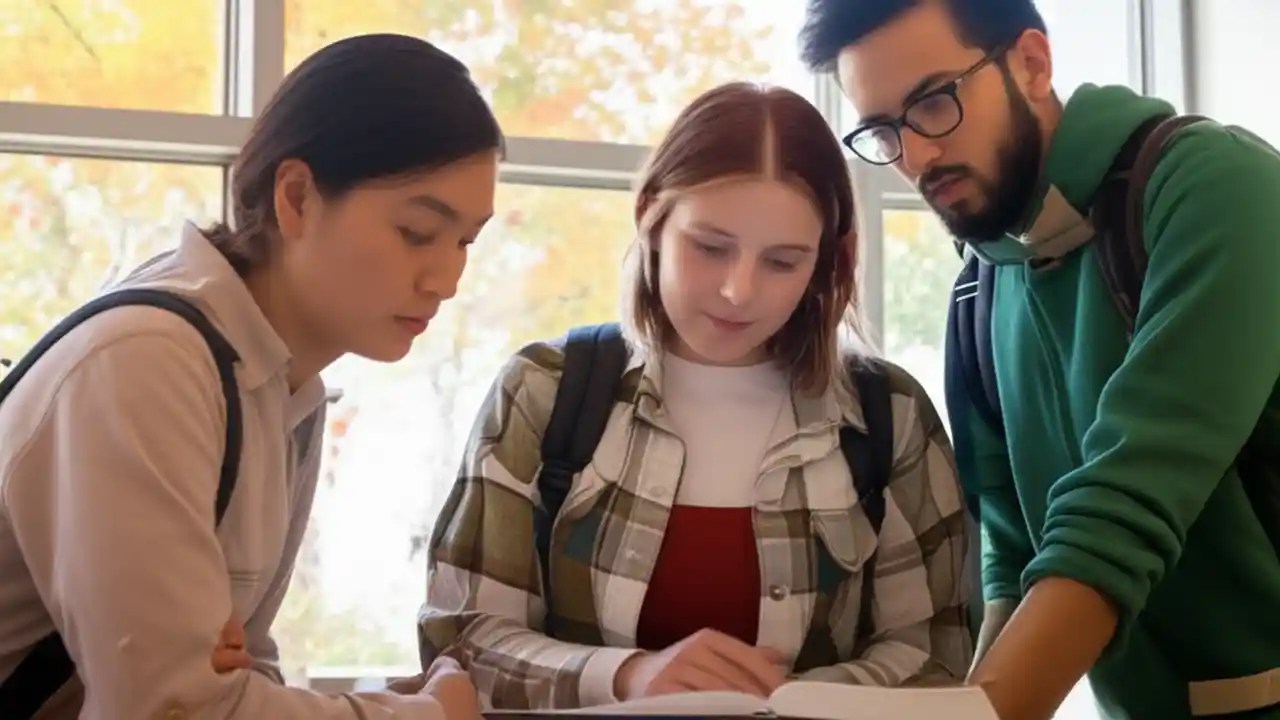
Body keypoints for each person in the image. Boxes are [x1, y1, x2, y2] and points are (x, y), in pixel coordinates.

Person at [418, 81, 972, 710]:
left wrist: (794, 701)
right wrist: (629, 677)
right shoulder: (543, 392)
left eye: (783, 262)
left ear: (826, 264)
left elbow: (935, 654)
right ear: (651, 217)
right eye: (710, 248)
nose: (739, 291)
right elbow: (460, 643)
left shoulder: (887, 415)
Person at [799, 1, 1280, 719]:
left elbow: (1125, 504)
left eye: (933, 102)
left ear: (1031, 63)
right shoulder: (980, 289)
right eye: (882, 131)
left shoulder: (1219, 187)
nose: (916, 157)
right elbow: (1013, 551)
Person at [0, 33, 500, 720]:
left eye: (466, 242)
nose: (446, 279)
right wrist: (428, 715)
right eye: (417, 232)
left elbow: (239, 673)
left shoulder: (286, 388)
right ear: (295, 196)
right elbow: (171, 711)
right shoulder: (149, 363)